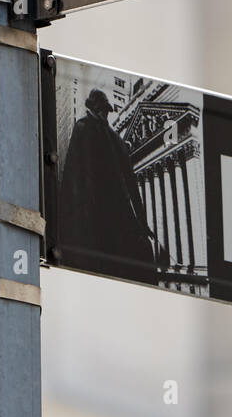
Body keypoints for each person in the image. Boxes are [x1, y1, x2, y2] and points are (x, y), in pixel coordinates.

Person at [58, 88, 161, 284]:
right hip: (102, 219)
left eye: (107, 111)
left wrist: (142, 222)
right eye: (103, 110)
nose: (105, 115)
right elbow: (77, 178)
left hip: (105, 220)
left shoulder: (108, 137)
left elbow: (130, 185)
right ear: (96, 108)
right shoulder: (91, 131)